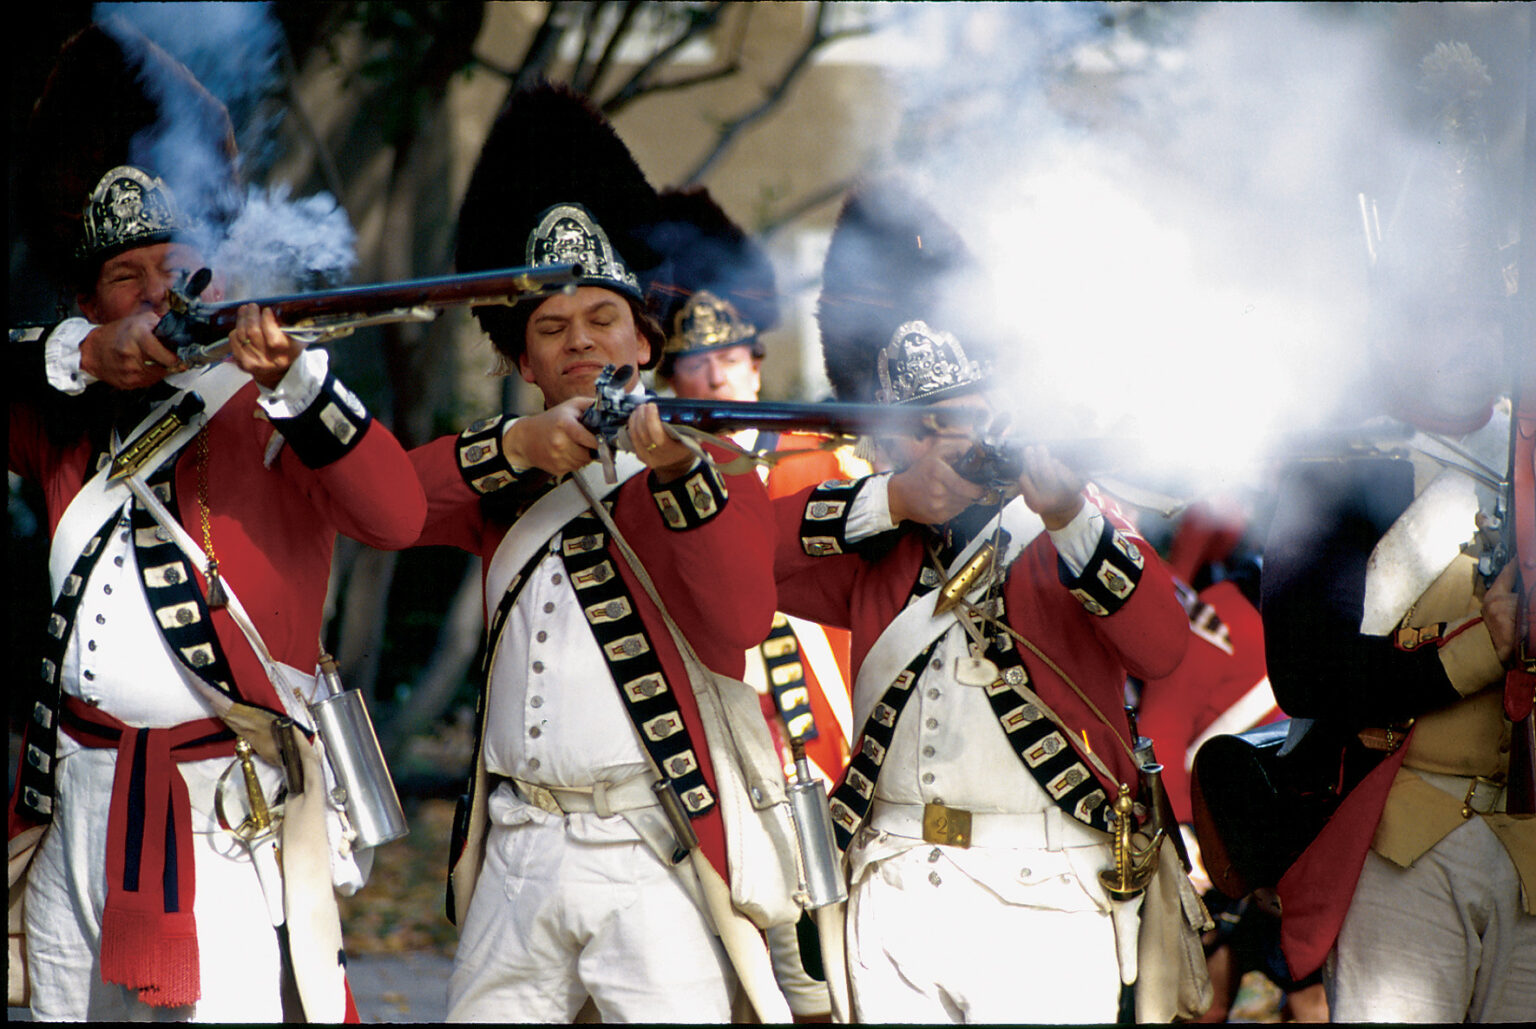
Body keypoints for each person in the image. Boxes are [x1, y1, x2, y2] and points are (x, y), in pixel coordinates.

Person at [8, 23, 426, 1023]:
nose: (158, 291)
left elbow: (397, 514)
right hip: (75, 790)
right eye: (128, 278)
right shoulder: (65, 418)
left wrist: (297, 381)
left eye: (175, 265)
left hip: (227, 799)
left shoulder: (273, 405)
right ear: (92, 302)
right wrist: (79, 356)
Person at [770, 180, 1193, 1023]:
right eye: (921, 429)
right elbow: (740, 562)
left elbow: (1162, 646)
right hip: (892, 880)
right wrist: (890, 500)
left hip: (1043, 887)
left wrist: (1070, 516)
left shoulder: (1070, 517)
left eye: (961, 422)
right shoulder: (874, 536)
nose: (946, 445)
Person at [409, 83, 785, 1023]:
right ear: (522, 361)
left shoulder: (709, 464)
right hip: (515, 846)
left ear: (644, 337)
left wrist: (671, 471)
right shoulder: (508, 467)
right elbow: (384, 508)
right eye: (551, 327)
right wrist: (517, 449)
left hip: (648, 843)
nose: (580, 340)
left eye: (602, 319)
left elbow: (737, 622)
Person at [1262, 42, 1534, 1022]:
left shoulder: (1529, 451)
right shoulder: (1335, 465)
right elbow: (1308, 677)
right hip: (1396, 836)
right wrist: (1477, 654)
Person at [647, 186, 862, 1021]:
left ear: (758, 364)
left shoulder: (823, 455)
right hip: (715, 734)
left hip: (822, 731)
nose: (712, 376)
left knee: (822, 965)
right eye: (695, 365)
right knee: (725, 957)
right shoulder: (667, 468)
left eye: (728, 359)